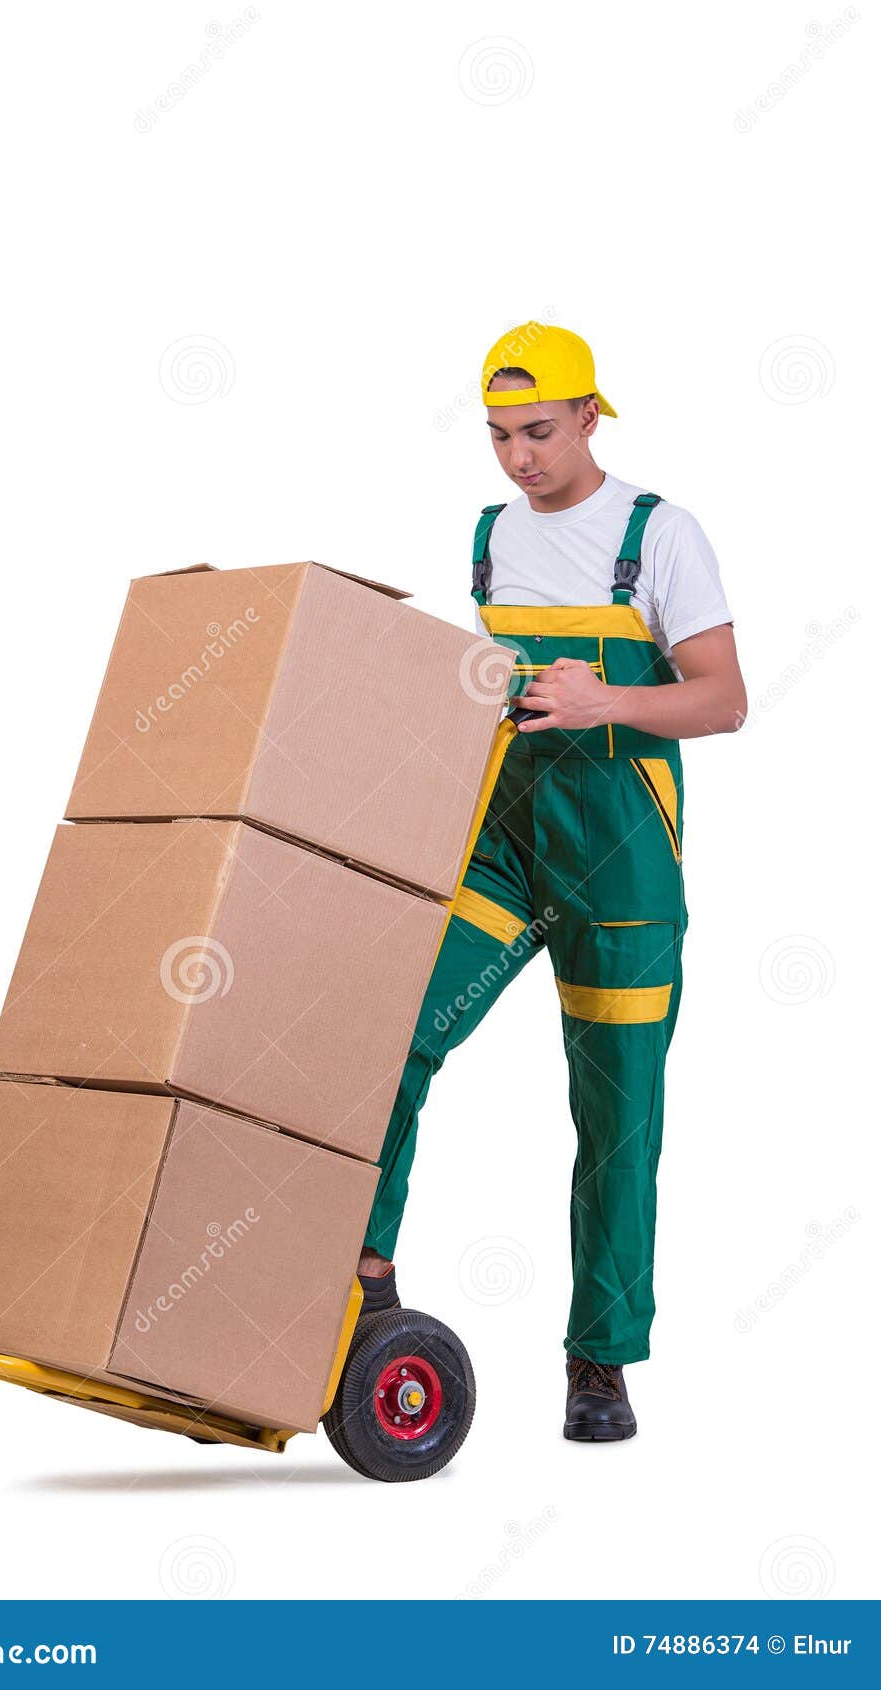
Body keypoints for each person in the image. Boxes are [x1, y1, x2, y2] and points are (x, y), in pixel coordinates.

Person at [356, 322, 746, 1441]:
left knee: (617, 1119)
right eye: (497, 435)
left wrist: (607, 700)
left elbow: (722, 699)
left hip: (622, 866)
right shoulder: (489, 539)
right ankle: (365, 1274)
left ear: (589, 416)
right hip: (509, 843)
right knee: (397, 1026)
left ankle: (598, 1361)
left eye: (538, 430)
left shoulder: (658, 534)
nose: (519, 458)